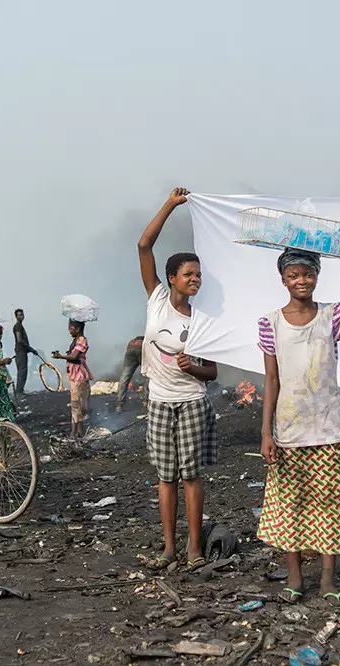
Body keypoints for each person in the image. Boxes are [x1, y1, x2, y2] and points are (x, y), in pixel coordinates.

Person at [258, 249, 340, 605]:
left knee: (329, 506)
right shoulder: (270, 323)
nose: (301, 281)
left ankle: (328, 580)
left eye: (307, 275)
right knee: (290, 508)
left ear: (317, 277)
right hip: (289, 430)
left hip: (328, 428)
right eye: (293, 275)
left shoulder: (333, 314)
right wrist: (266, 433)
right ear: (283, 280)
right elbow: (271, 379)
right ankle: (295, 579)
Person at [138, 187, 219, 572]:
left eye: (199, 275)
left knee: (191, 476)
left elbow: (213, 373)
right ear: (171, 278)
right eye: (189, 274)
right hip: (158, 400)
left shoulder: (203, 320)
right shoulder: (155, 298)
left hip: (191, 401)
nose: (195, 280)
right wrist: (170, 205)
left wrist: (193, 368)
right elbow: (144, 243)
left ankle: (193, 546)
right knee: (165, 477)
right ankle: (169, 547)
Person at [53, 320, 91, 441]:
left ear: (78, 329)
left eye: (71, 328)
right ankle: (77, 433)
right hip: (74, 377)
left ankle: (74, 434)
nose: (69, 330)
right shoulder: (74, 341)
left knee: (78, 406)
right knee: (77, 406)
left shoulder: (82, 340)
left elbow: (74, 357)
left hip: (80, 376)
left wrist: (60, 356)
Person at [12, 308, 39, 403]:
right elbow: (19, 340)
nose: (21, 316)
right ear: (16, 316)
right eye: (19, 315)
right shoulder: (18, 326)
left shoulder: (20, 326)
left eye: (22, 315)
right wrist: (30, 349)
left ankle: (20, 390)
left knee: (23, 372)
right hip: (20, 352)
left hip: (22, 352)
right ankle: (19, 393)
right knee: (22, 372)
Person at [116, 336, 145, 413]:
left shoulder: (132, 341)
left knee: (124, 377)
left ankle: (119, 405)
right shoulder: (149, 340)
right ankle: (147, 403)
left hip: (130, 348)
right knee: (147, 376)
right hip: (143, 347)